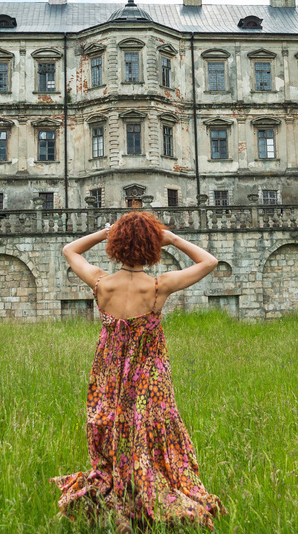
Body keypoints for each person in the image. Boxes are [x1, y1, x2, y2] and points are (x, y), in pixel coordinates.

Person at [50, 211, 226, 531]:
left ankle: (120, 502)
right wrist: (172, 238)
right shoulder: (159, 287)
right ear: (152, 247)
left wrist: (104, 233)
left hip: (110, 374)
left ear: (116, 245)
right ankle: (145, 495)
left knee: (115, 433)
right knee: (151, 434)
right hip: (150, 376)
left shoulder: (101, 283)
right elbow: (209, 261)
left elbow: (69, 250)